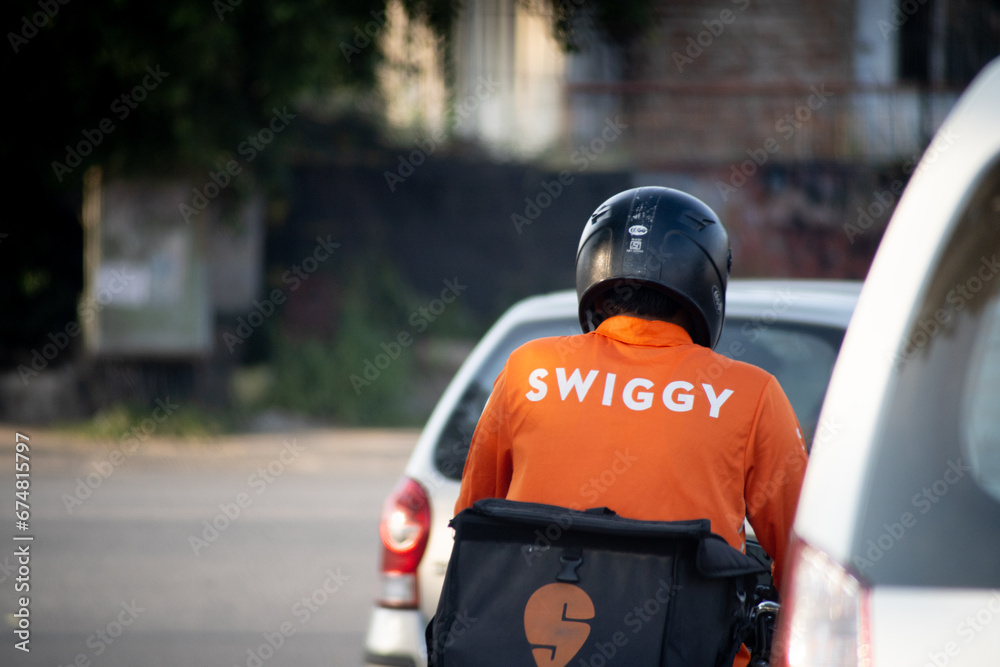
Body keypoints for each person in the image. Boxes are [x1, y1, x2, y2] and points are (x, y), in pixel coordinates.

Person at [453, 186, 807, 666]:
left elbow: (475, 529)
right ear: (707, 282)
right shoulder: (751, 394)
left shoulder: (528, 370)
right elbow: (806, 567)